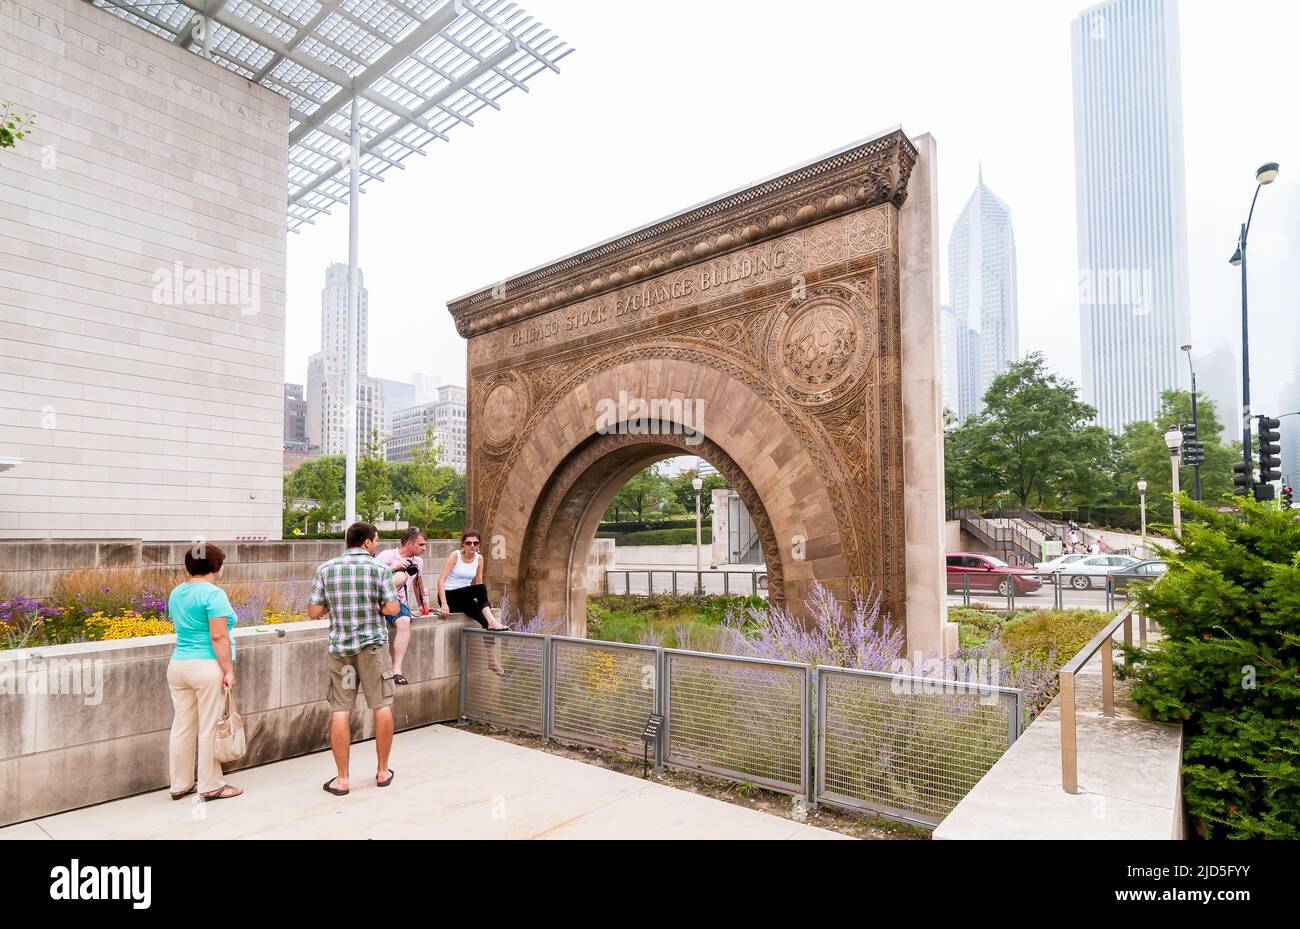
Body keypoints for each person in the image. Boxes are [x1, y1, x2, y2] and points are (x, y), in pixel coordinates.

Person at [308, 522, 401, 797]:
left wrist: (333, 605)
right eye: (377, 540)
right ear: (368, 542)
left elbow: (313, 611)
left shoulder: (326, 569)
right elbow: (393, 607)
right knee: (381, 705)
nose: (377, 545)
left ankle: (342, 779)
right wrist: (376, 605)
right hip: (372, 649)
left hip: (341, 651)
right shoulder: (380, 569)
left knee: (340, 709)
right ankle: (383, 771)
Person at [166, 541, 242, 802]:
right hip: (206, 666)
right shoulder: (213, 594)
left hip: (179, 665)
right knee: (210, 726)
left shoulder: (177, 592)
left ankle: (180, 783)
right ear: (217, 567)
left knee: (183, 726)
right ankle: (210, 785)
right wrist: (228, 670)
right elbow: (219, 636)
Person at [437, 530, 508, 674]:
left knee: (485, 622)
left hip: (465, 596)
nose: (472, 546)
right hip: (449, 596)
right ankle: (493, 621)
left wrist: (481, 606)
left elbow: (479, 581)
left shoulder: (479, 558)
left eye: (475, 543)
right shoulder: (455, 556)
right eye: (468, 543)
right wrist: (444, 604)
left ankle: (492, 660)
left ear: (479, 545)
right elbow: (441, 580)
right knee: (481, 589)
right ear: (463, 544)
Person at [375, 527, 428, 686]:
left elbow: (419, 585)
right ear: (409, 543)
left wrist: (423, 607)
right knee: (399, 577)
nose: (424, 548)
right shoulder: (387, 555)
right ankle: (377, 606)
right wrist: (395, 567)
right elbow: (371, 577)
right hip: (378, 598)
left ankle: (397, 671)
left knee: (405, 622)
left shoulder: (418, 561)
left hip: (397, 604)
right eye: (421, 545)